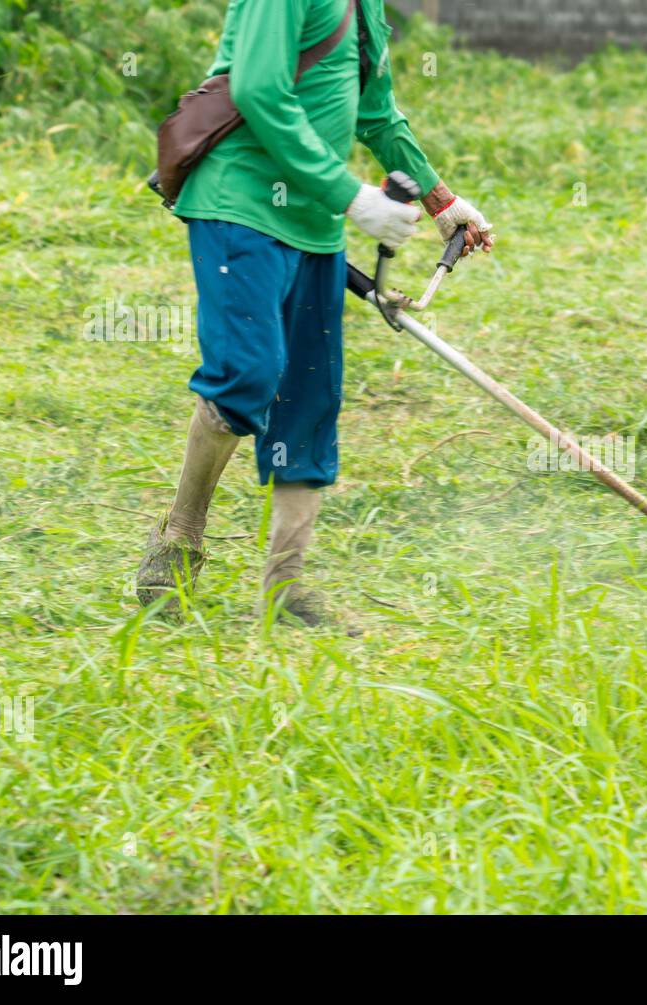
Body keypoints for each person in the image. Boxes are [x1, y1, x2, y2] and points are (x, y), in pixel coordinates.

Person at [136, 0, 493, 632]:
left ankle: (286, 589)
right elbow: (259, 91)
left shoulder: (367, 11)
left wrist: (443, 201)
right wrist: (352, 196)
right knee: (248, 373)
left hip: (314, 228)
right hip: (239, 203)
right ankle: (178, 539)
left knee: (309, 398)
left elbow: (375, 113)